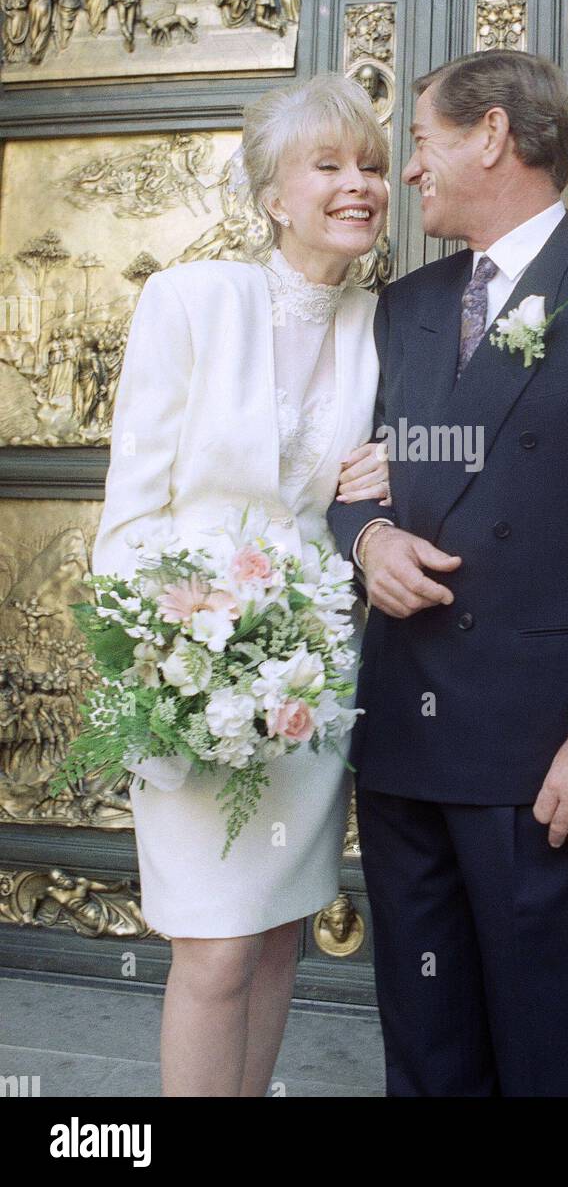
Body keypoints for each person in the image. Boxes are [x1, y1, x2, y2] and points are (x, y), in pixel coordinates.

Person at [329, 49, 568, 1096]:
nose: (408, 172)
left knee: (546, 1052)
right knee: (426, 1048)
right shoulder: (406, 304)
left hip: (544, 759)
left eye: (419, 142)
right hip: (404, 742)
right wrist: (368, 540)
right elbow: (349, 476)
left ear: (490, 135)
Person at [90, 73, 391, 1096]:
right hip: (192, 673)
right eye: (331, 165)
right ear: (272, 194)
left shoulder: (385, 327)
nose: (360, 185)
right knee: (215, 947)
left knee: (274, 939)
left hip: (312, 679)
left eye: (374, 166)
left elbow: (374, 499)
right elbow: (131, 510)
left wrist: (393, 479)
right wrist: (165, 660)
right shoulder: (188, 301)